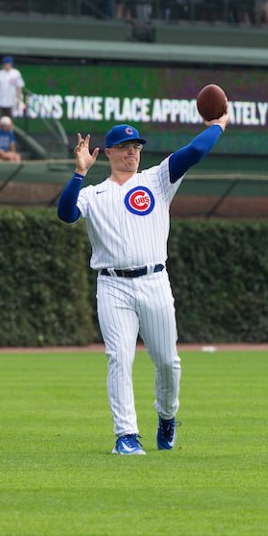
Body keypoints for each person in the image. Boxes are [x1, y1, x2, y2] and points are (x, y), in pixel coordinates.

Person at [55, 115, 228, 454]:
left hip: (154, 281)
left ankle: (167, 416)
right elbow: (65, 213)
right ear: (107, 152)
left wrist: (218, 124)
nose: (132, 152)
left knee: (167, 362)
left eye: (136, 146)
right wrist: (79, 171)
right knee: (119, 358)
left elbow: (194, 151)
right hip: (112, 286)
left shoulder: (156, 180)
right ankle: (126, 436)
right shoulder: (93, 194)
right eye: (123, 147)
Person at [0, 56, 24, 122]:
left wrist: (18, 97)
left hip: (12, 101)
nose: (5, 65)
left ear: (10, 64)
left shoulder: (16, 73)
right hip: (0, 100)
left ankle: (10, 132)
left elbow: (19, 87)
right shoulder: (0, 73)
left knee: (10, 120)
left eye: (7, 63)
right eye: (4, 64)